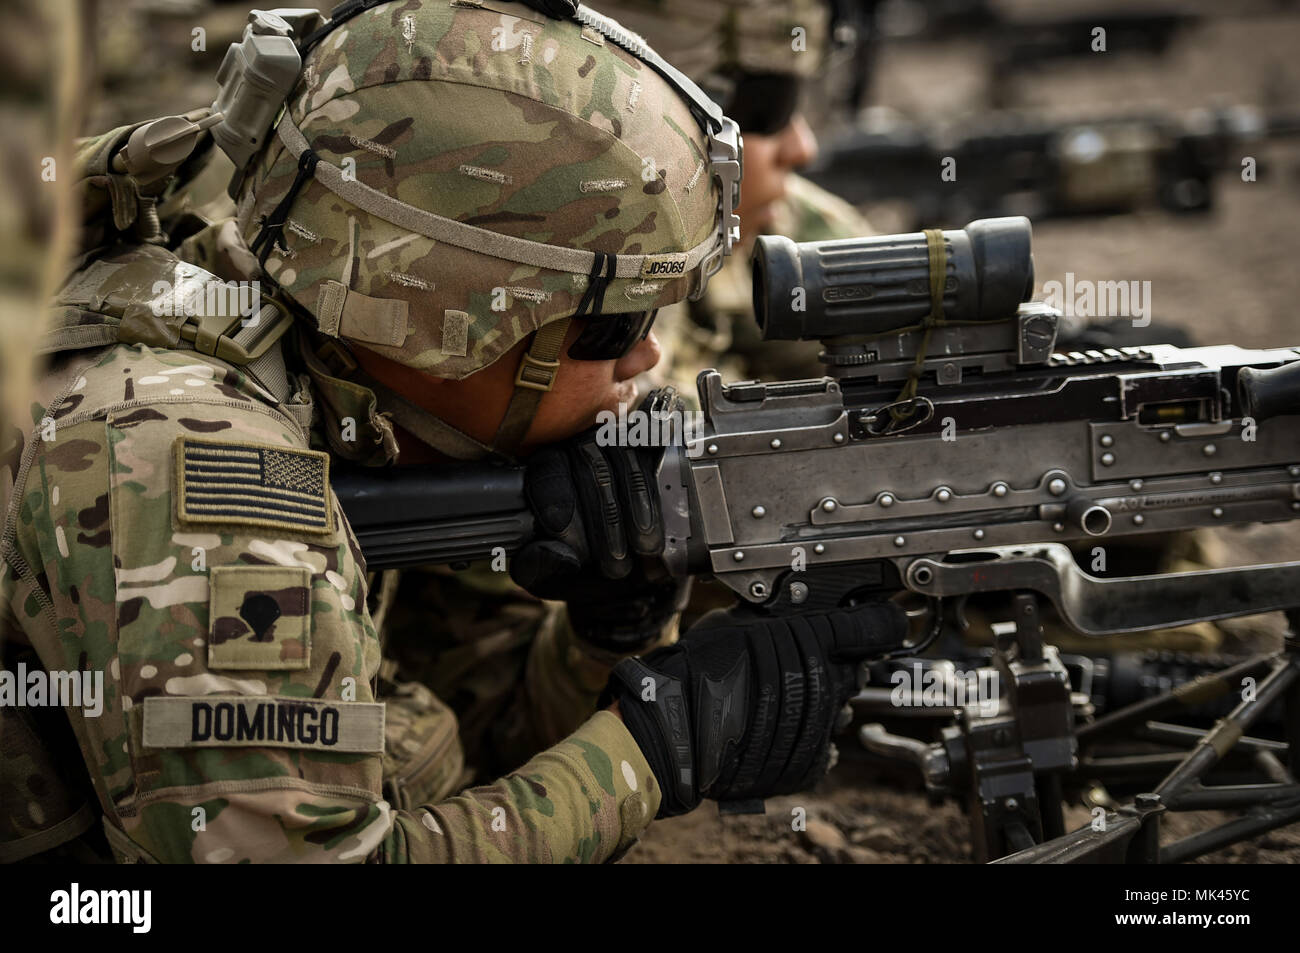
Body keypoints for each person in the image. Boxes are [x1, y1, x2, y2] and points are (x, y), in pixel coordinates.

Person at [0, 0, 906, 863]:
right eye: (615, 327)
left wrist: (609, 628)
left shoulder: (344, 380)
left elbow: (480, 746)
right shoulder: (195, 458)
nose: (647, 361)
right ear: (451, 323)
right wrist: (658, 750)